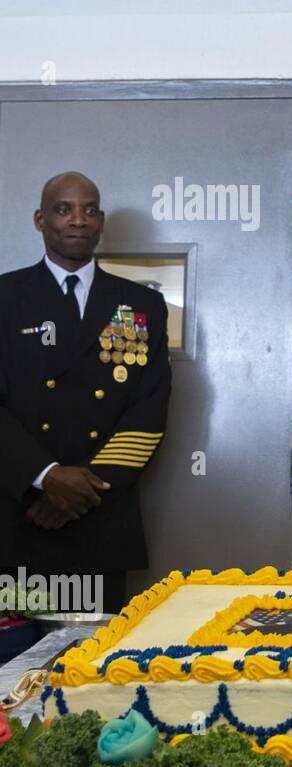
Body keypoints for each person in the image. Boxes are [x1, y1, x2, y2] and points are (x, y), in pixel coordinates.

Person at [0, 171, 172, 612]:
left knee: (90, 670)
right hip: (22, 515)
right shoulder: (5, 297)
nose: (78, 219)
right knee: (14, 669)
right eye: (64, 209)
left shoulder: (140, 306)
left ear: (101, 221)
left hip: (99, 522)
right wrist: (45, 478)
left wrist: (79, 494)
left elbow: (147, 411)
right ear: (40, 220)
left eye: (90, 210)